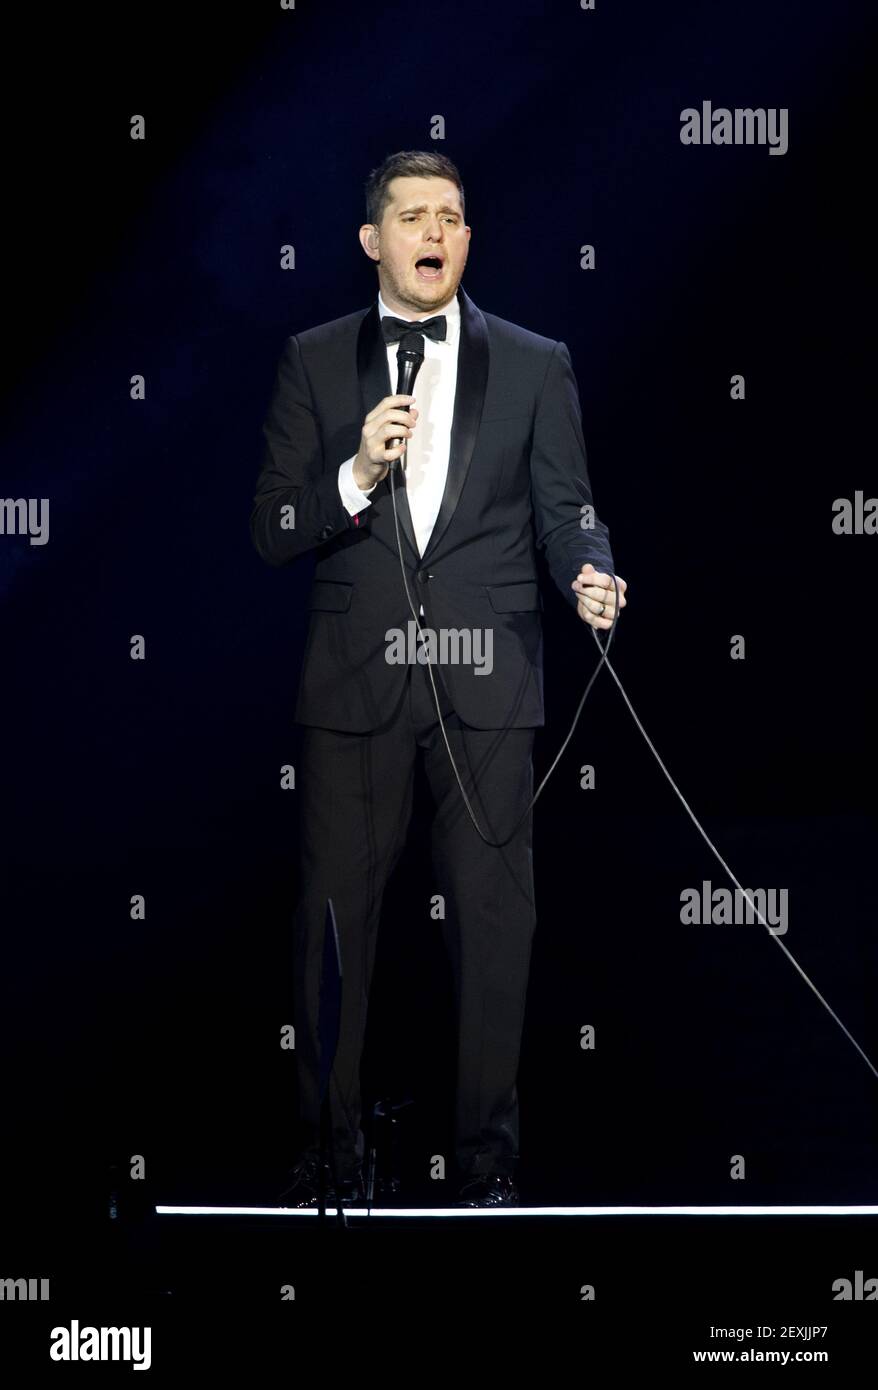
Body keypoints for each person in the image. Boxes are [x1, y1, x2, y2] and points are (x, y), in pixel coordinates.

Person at [250, 150, 627, 1207]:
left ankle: (486, 1166)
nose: (435, 230)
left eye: (452, 215)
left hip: (487, 685)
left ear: (465, 237)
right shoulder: (313, 359)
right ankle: (330, 1156)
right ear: (373, 241)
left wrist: (589, 570)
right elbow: (272, 528)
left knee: (494, 931)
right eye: (412, 214)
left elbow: (567, 507)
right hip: (355, 685)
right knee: (332, 929)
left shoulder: (535, 360)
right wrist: (354, 474)